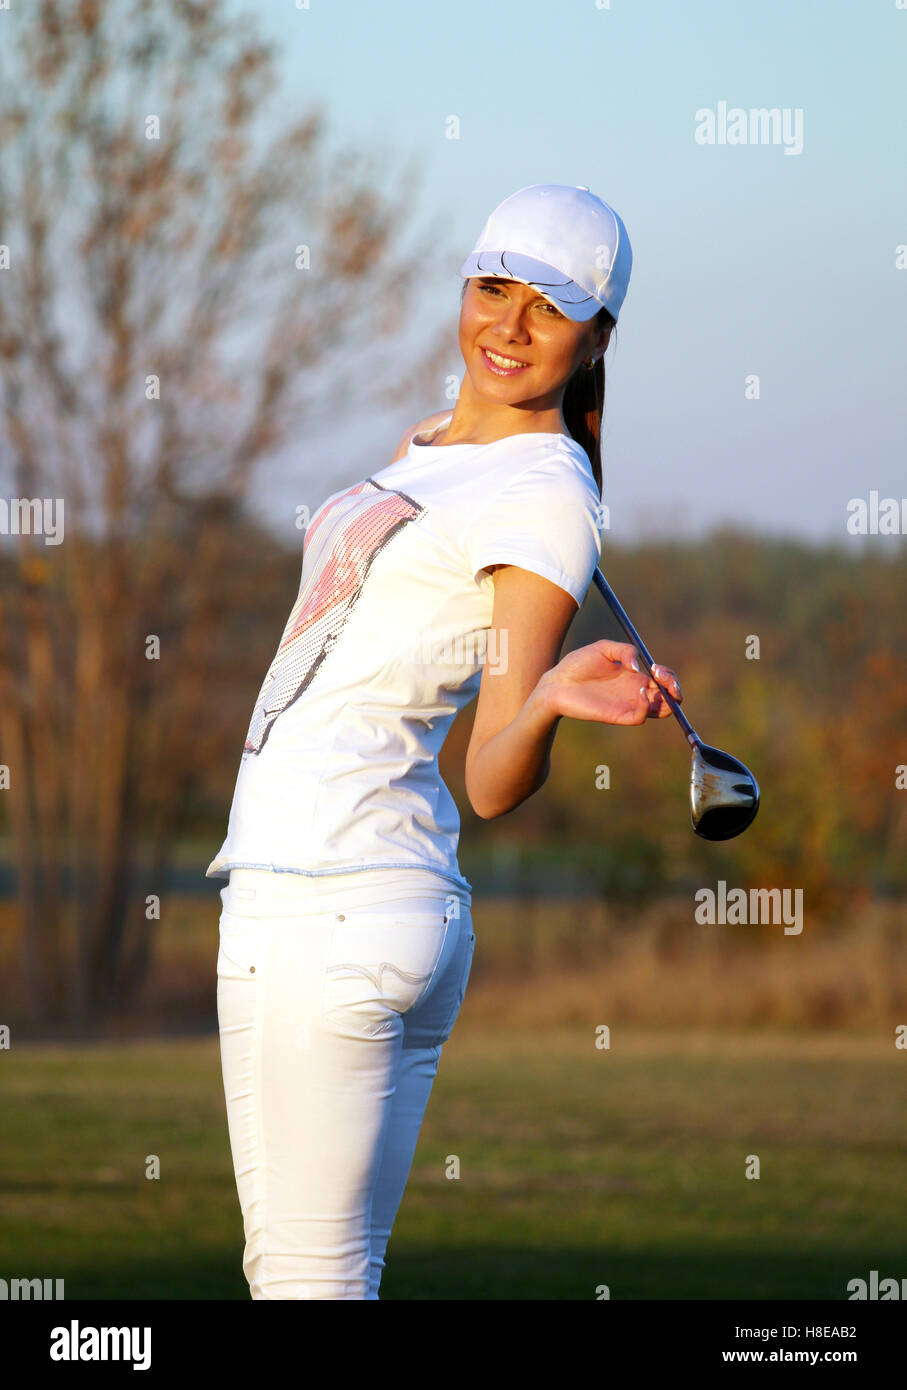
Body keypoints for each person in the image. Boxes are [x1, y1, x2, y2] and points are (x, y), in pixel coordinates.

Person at [206, 183, 682, 1301]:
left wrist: (552, 696)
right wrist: (458, 432)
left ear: (596, 336)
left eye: (548, 310)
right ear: (463, 287)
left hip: (334, 896)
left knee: (304, 1286)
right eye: (492, 290)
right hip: (334, 900)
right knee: (306, 1279)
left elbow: (490, 777)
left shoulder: (545, 489)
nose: (508, 328)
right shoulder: (438, 446)